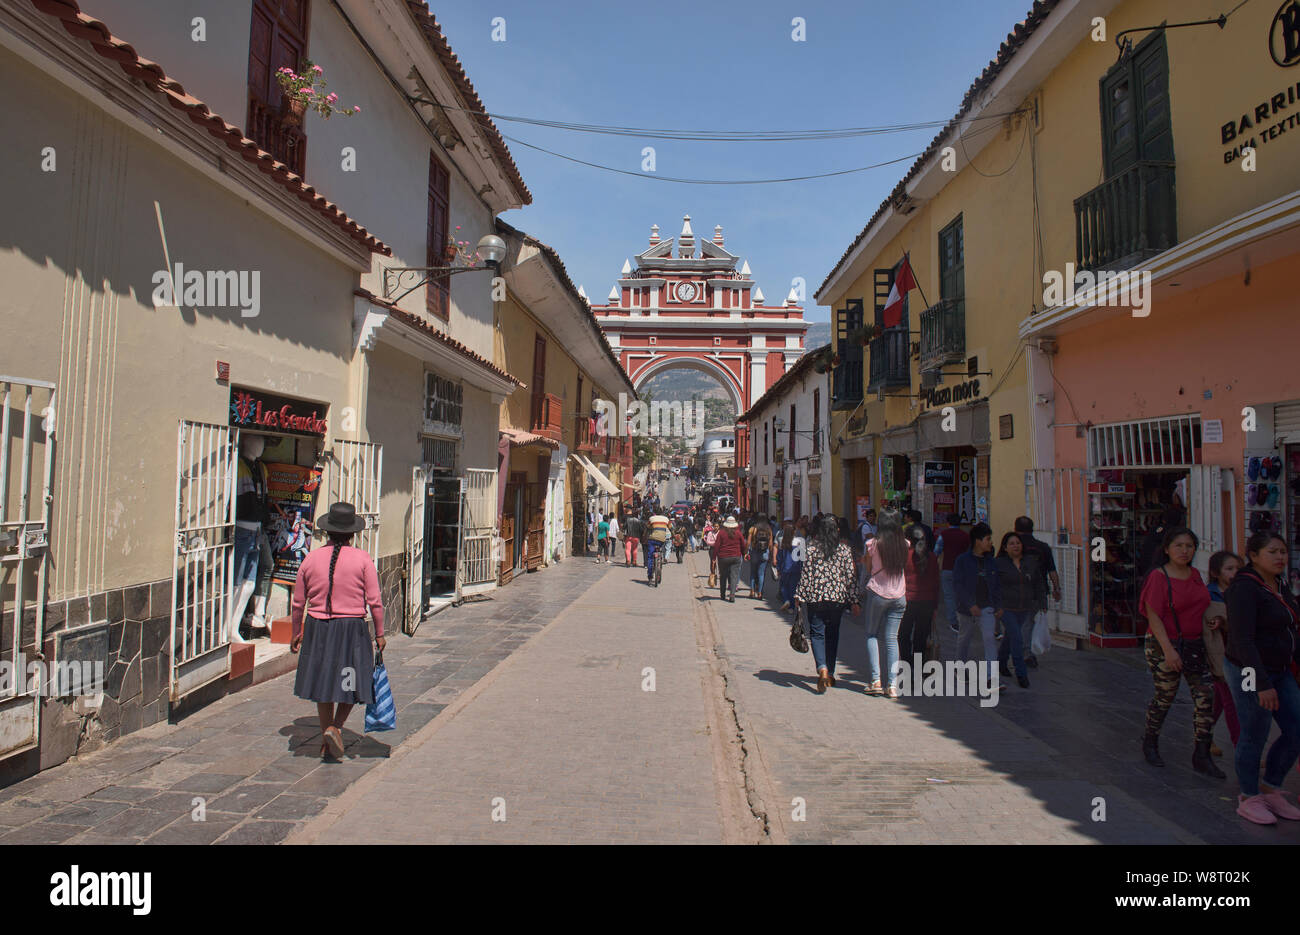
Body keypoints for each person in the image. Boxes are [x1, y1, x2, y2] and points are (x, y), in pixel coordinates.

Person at [290, 502, 385, 759]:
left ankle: (326, 736)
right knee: (350, 681)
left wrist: (296, 632)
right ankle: (335, 728)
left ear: (327, 531)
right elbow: (375, 601)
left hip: (318, 628)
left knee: (323, 684)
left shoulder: (310, 559)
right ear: (352, 533)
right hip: (351, 630)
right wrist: (380, 633)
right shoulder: (363, 559)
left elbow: (298, 602)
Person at [1223, 531, 1300, 824]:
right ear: (1253, 556)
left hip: (1280, 668)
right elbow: (1243, 641)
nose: (1280, 557)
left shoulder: (1278, 584)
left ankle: (1271, 788)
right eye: (1273, 551)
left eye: (1283, 551)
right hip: (1248, 670)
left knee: (1296, 729)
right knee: (1255, 733)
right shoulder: (1245, 588)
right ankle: (1248, 796)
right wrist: (1262, 684)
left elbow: (1290, 628)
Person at [1137, 526, 1222, 779]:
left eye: (1189, 546)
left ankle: (1202, 753)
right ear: (1167, 549)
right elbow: (1154, 615)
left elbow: (1201, 606)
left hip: (1195, 645)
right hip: (1165, 645)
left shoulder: (1195, 574)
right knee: (1165, 696)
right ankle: (1150, 742)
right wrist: (1169, 650)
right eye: (1179, 546)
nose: (1185, 551)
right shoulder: (1158, 577)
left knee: (1206, 696)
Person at [795, 515, 862, 694]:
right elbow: (851, 577)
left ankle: (822, 668)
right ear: (836, 531)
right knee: (832, 635)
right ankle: (831, 673)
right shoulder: (844, 550)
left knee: (817, 634)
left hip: (815, 598)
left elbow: (806, 574)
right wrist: (854, 600)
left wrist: (799, 595)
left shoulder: (811, 549)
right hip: (837, 600)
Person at [863, 508, 910, 698]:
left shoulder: (872, 544)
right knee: (892, 639)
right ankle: (892, 685)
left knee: (872, 635)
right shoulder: (905, 544)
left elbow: (868, 568)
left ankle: (876, 680)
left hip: (878, 593)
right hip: (899, 595)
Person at [1203, 550, 1241, 758]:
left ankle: (1204, 735)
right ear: (1216, 573)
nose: (1235, 573)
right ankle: (1241, 746)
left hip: (1239, 653)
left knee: (1219, 699)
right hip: (1219, 654)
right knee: (1231, 700)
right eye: (1229, 569)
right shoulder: (1210, 594)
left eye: (1238, 568)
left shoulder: (1243, 591)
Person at [995, 532, 1042, 689]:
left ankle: (1001, 663)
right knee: (1017, 637)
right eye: (1012, 543)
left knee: (1010, 636)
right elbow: (992, 585)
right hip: (1006, 608)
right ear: (1005, 547)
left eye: (1018, 543)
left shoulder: (1030, 562)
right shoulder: (999, 564)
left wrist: (1041, 601)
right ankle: (1021, 673)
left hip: (1024, 607)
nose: (1015, 546)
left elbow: (1038, 583)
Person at [1012, 517, 1060, 668]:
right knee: (1029, 622)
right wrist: (1057, 589)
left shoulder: (1012, 547)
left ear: (1016, 530)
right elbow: (1052, 571)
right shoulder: (1043, 547)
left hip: (1014, 591)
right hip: (1037, 592)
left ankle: (1023, 652)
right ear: (1032, 529)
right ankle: (1026, 652)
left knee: (1020, 622)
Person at [953, 522, 1000, 673]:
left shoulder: (991, 562)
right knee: (964, 640)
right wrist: (970, 604)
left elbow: (996, 585)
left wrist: (998, 606)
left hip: (987, 606)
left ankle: (991, 676)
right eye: (988, 539)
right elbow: (958, 585)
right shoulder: (962, 560)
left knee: (989, 639)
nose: (991, 542)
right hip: (966, 609)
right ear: (978, 541)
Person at [899, 523, 940, 666]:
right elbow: (936, 582)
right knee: (921, 637)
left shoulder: (904, 556)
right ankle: (918, 666)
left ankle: (905, 662)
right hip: (927, 602)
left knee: (903, 635)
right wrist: (935, 606)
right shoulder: (932, 557)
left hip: (907, 600)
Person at [936, 513, 969, 634]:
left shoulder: (944, 535)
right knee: (961, 594)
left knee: (949, 596)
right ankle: (964, 618)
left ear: (948, 523)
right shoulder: (965, 536)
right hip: (962, 570)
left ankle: (953, 621)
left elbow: (937, 551)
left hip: (947, 568)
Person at [1137, 505, 1186, 580]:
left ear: (1164, 519)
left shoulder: (1155, 530)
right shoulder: (1175, 534)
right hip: (1161, 570)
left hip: (1147, 568)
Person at [714, 516, 746, 602]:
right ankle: (732, 594)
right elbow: (743, 545)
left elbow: (716, 546)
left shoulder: (721, 533)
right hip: (735, 557)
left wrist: (713, 558)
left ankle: (722, 594)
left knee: (723, 576)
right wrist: (744, 554)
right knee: (734, 576)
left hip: (723, 558)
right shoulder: (738, 533)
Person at [747, 517, 774, 599]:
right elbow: (770, 544)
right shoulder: (768, 529)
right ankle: (759, 593)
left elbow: (748, 542)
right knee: (761, 574)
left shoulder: (753, 529)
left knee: (752, 573)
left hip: (754, 552)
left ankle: (752, 591)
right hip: (764, 553)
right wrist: (771, 554)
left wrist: (746, 552)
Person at [645, 511, 671, 584]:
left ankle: (650, 576)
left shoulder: (651, 518)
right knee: (660, 550)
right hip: (661, 540)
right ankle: (659, 563)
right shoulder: (666, 519)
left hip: (652, 540)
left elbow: (647, 528)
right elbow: (671, 528)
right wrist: (674, 535)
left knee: (650, 557)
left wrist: (645, 536)